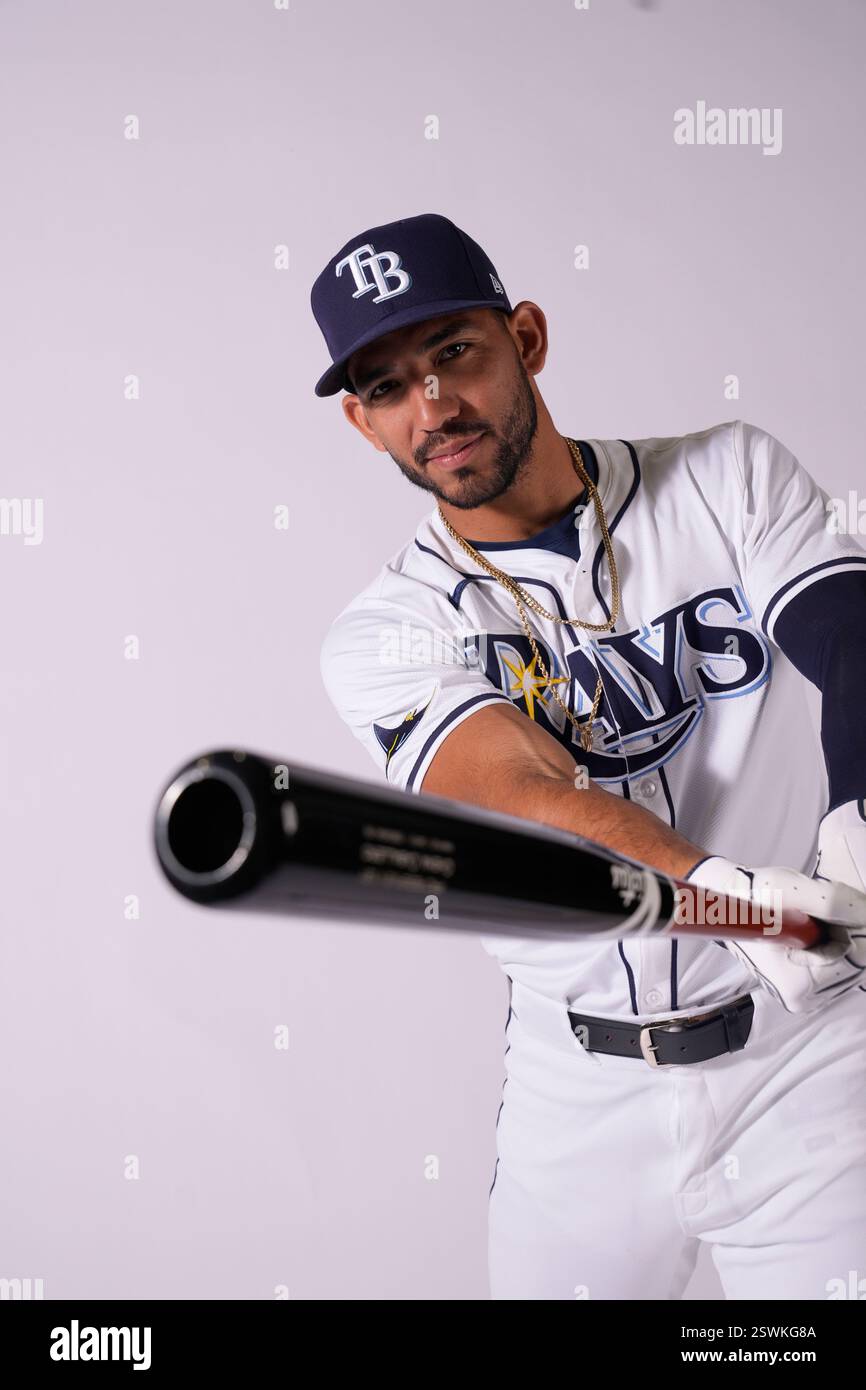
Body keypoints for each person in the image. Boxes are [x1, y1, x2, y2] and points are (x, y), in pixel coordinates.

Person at [311, 212, 866, 1300]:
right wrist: (724, 896)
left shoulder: (726, 476)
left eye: (453, 353)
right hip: (582, 1094)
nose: (433, 408)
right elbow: (523, 788)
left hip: (805, 1055)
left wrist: (860, 818)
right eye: (386, 386)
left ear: (526, 335)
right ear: (359, 421)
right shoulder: (386, 628)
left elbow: (850, 635)